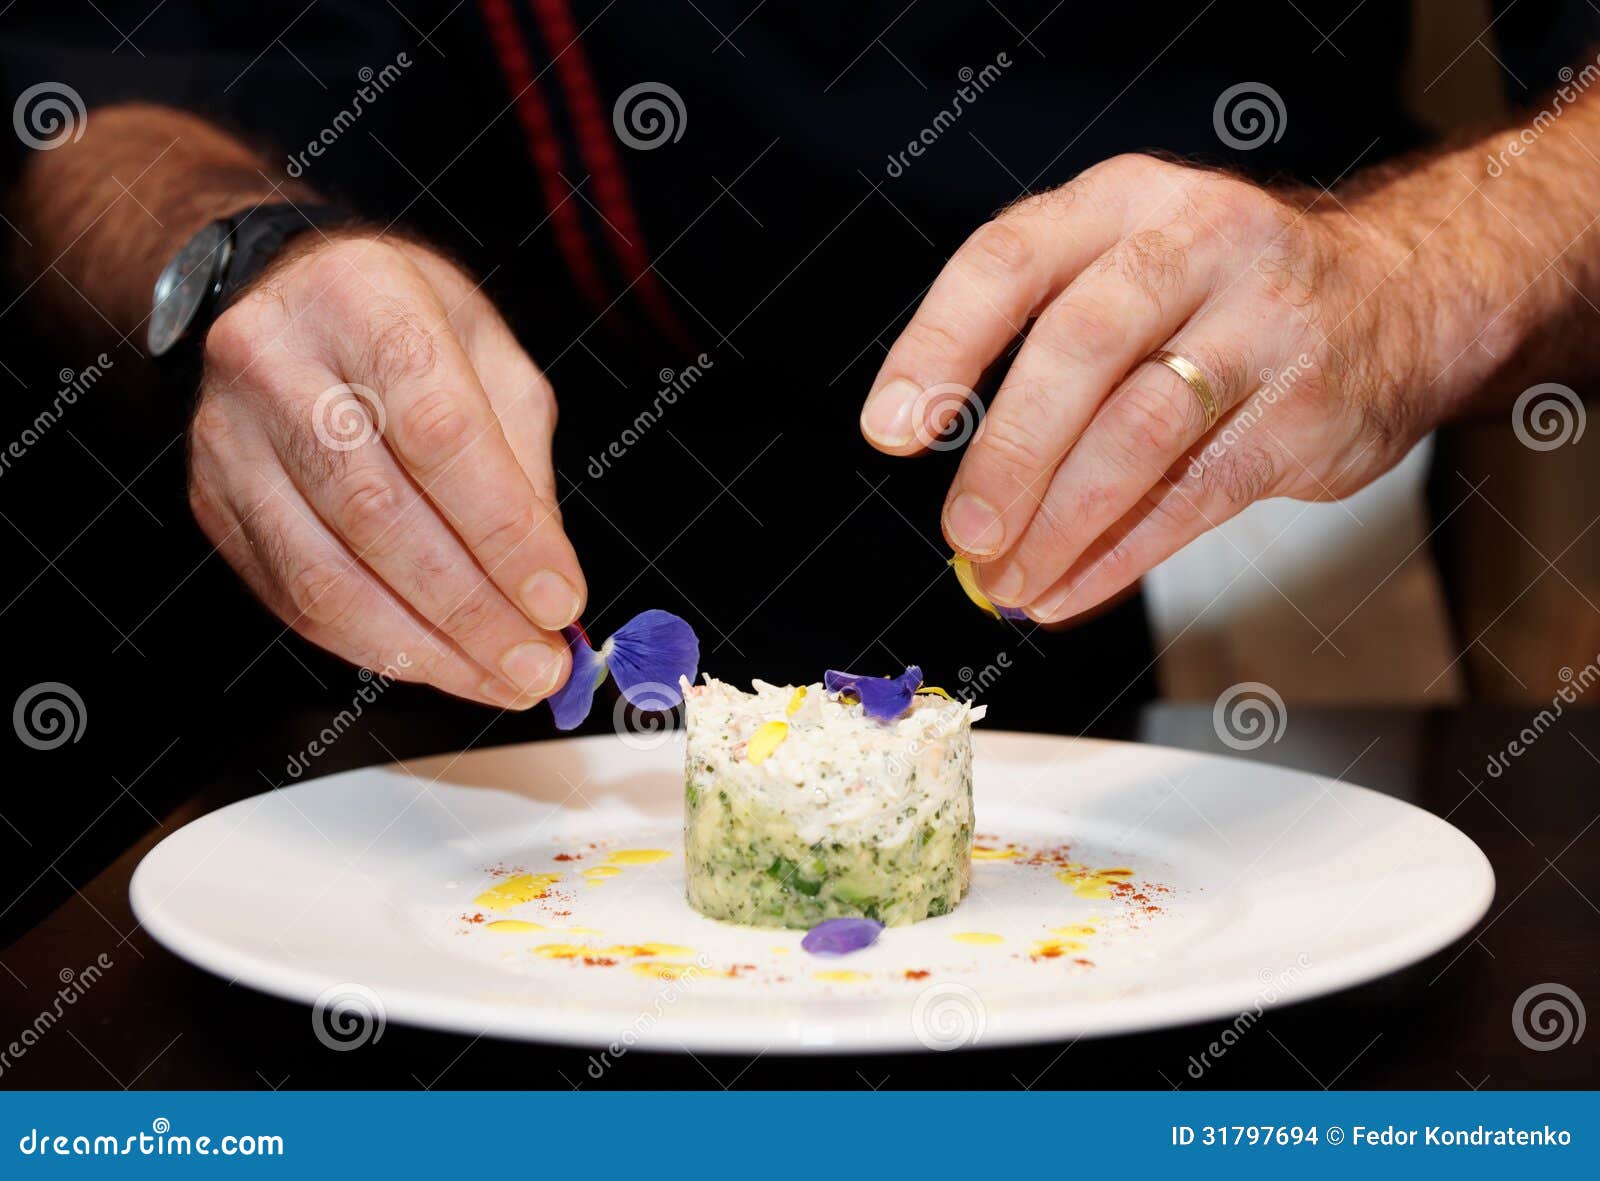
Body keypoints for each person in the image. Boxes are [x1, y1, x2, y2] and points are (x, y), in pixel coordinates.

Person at [3, 1, 1597, 735]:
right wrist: (238, 260)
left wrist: (1419, 275)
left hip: (1235, 493)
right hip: (531, 513)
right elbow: (99, 101)